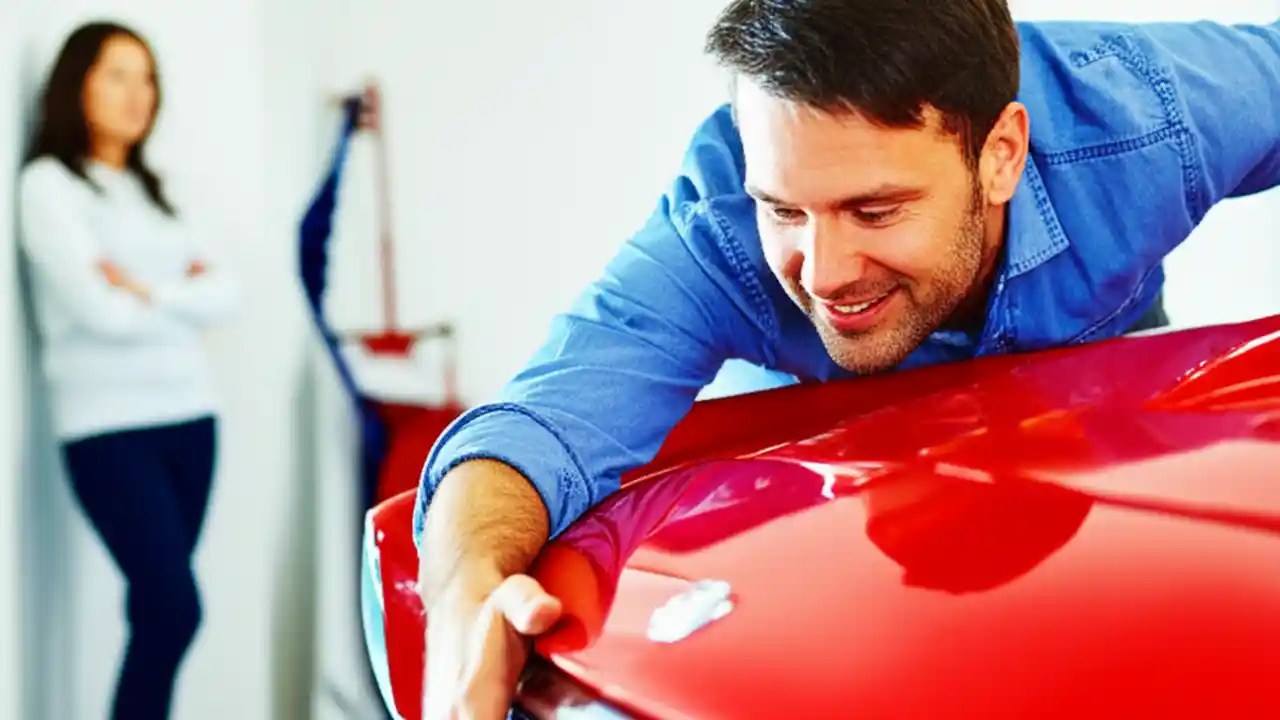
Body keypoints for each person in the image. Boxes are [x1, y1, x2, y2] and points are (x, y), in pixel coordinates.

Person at [412, 2, 1280, 717]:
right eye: (784, 211)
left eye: (874, 211)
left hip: (1110, 545)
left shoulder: (1141, 121)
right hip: (819, 589)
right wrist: (460, 597)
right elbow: (540, 424)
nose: (821, 276)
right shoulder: (714, 228)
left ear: (1001, 156)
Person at [18, 21, 237, 720]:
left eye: (147, 78)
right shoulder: (49, 187)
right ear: (75, 81)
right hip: (109, 431)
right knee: (175, 610)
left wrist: (147, 290)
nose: (137, 94)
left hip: (191, 422)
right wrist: (178, 294)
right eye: (117, 75)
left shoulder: (158, 189)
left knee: (157, 616)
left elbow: (228, 292)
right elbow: (96, 310)